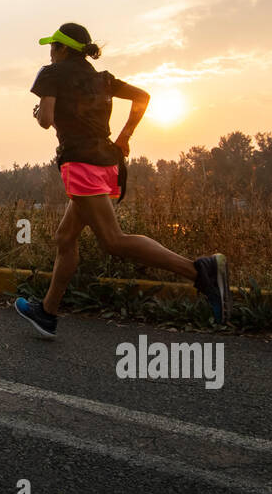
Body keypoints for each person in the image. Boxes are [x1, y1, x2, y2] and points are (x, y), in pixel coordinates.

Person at [14, 23, 230, 337]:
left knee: (113, 241)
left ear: (62, 49)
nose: (50, 52)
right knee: (65, 238)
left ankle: (199, 271)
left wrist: (38, 110)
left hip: (81, 165)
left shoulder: (51, 73)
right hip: (108, 164)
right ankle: (47, 312)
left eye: (53, 47)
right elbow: (143, 96)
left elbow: (46, 121)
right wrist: (125, 136)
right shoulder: (102, 79)